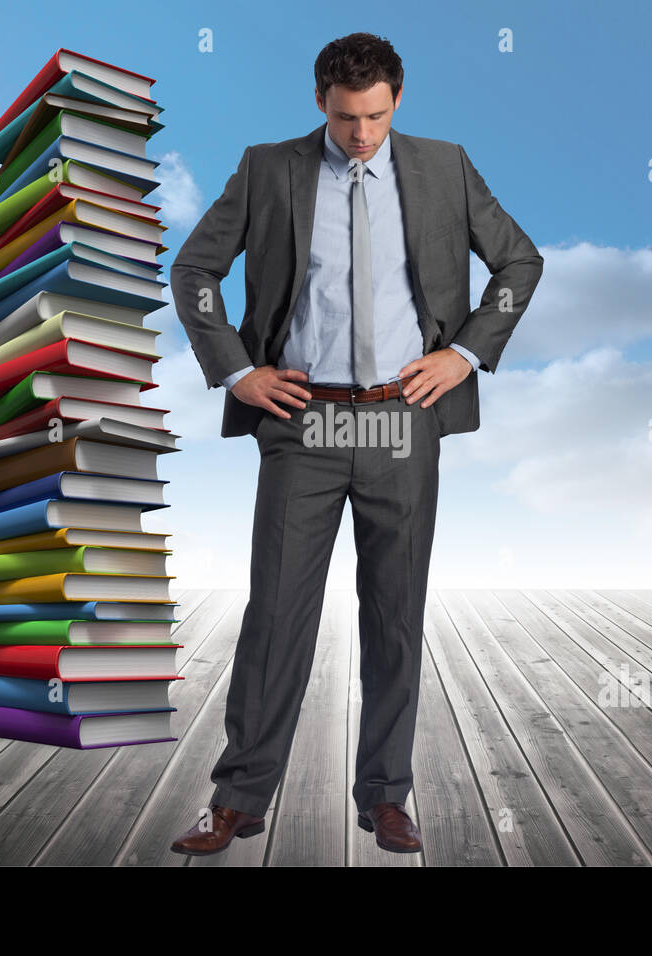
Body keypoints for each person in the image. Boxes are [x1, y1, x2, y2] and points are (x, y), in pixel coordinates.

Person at [168, 32, 543, 855]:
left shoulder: (445, 166)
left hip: (402, 420)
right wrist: (237, 371)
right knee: (275, 618)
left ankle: (388, 797)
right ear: (319, 103)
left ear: (397, 100)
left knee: (395, 619)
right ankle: (238, 800)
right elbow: (194, 269)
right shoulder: (268, 169)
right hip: (303, 421)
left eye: (375, 116)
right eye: (346, 118)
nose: (362, 134)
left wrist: (464, 352)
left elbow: (518, 261)